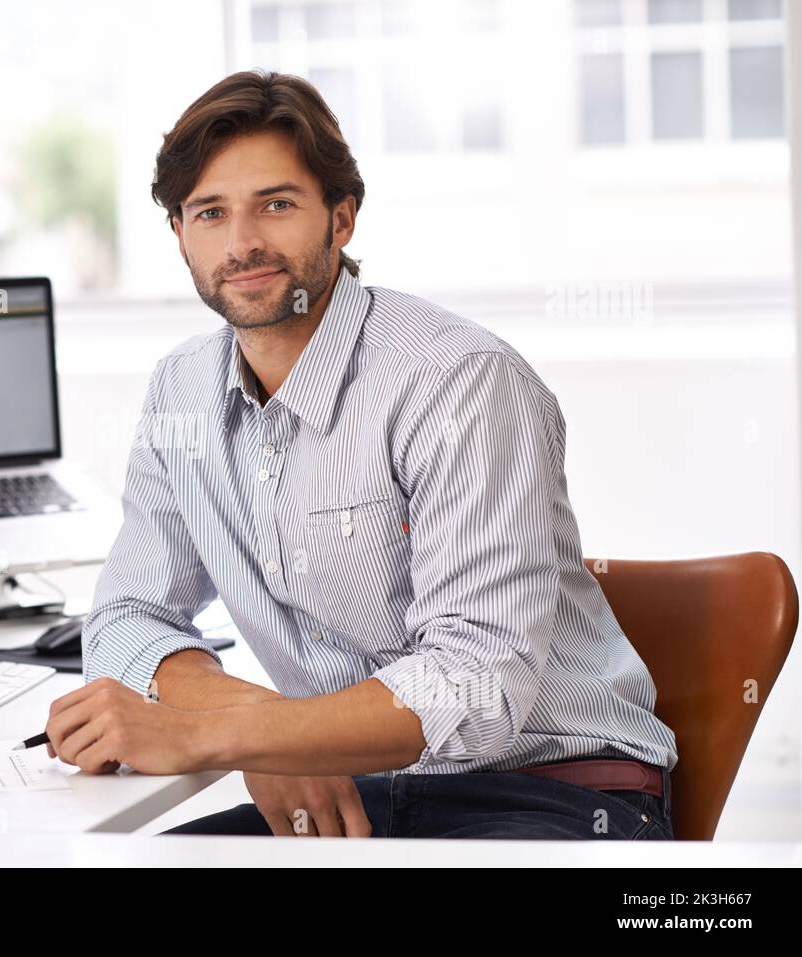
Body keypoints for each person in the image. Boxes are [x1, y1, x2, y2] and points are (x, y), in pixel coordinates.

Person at [43, 70, 676, 839]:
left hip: (551, 791)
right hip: (360, 791)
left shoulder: (458, 382)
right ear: (180, 233)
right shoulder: (181, 391)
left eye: (276, 205)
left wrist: (228, 735)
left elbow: (473, 686)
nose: (242, 243)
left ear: (342, 219)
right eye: (210, 213)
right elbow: (125, 620)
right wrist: (273, 732)